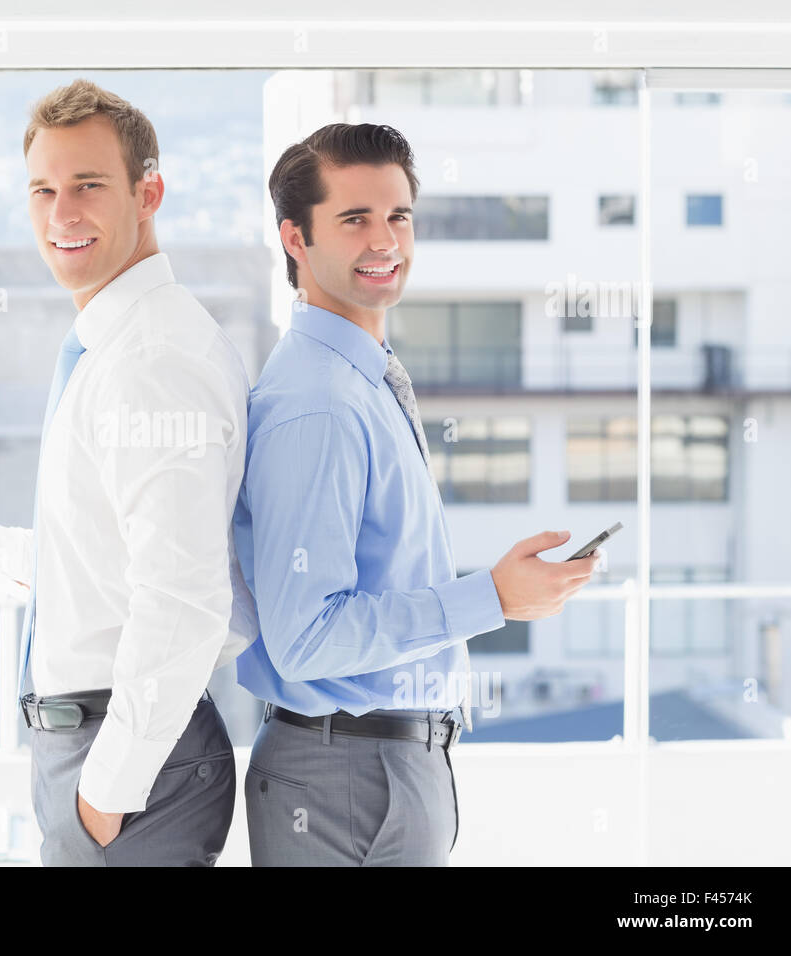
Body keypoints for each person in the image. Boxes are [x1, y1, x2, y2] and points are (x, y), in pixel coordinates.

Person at [0, 79, 256, 866]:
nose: (61, 215)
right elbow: (103, 575)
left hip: (126, 762)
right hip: (105, 752)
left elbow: (184, 600)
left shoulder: (151, 361)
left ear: (150, 193)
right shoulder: (117, 346)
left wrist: (103, 797)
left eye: (88, 187)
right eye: (42, 190)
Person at [233, 123, 602, 866]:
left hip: (386, 764)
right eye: (354, 219)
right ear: (296, 240)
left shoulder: (362, 379)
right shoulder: (320, 403)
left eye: (398, 216)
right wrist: (491, 598)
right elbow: (306, 636)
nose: (384, 241)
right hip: (345, 777)